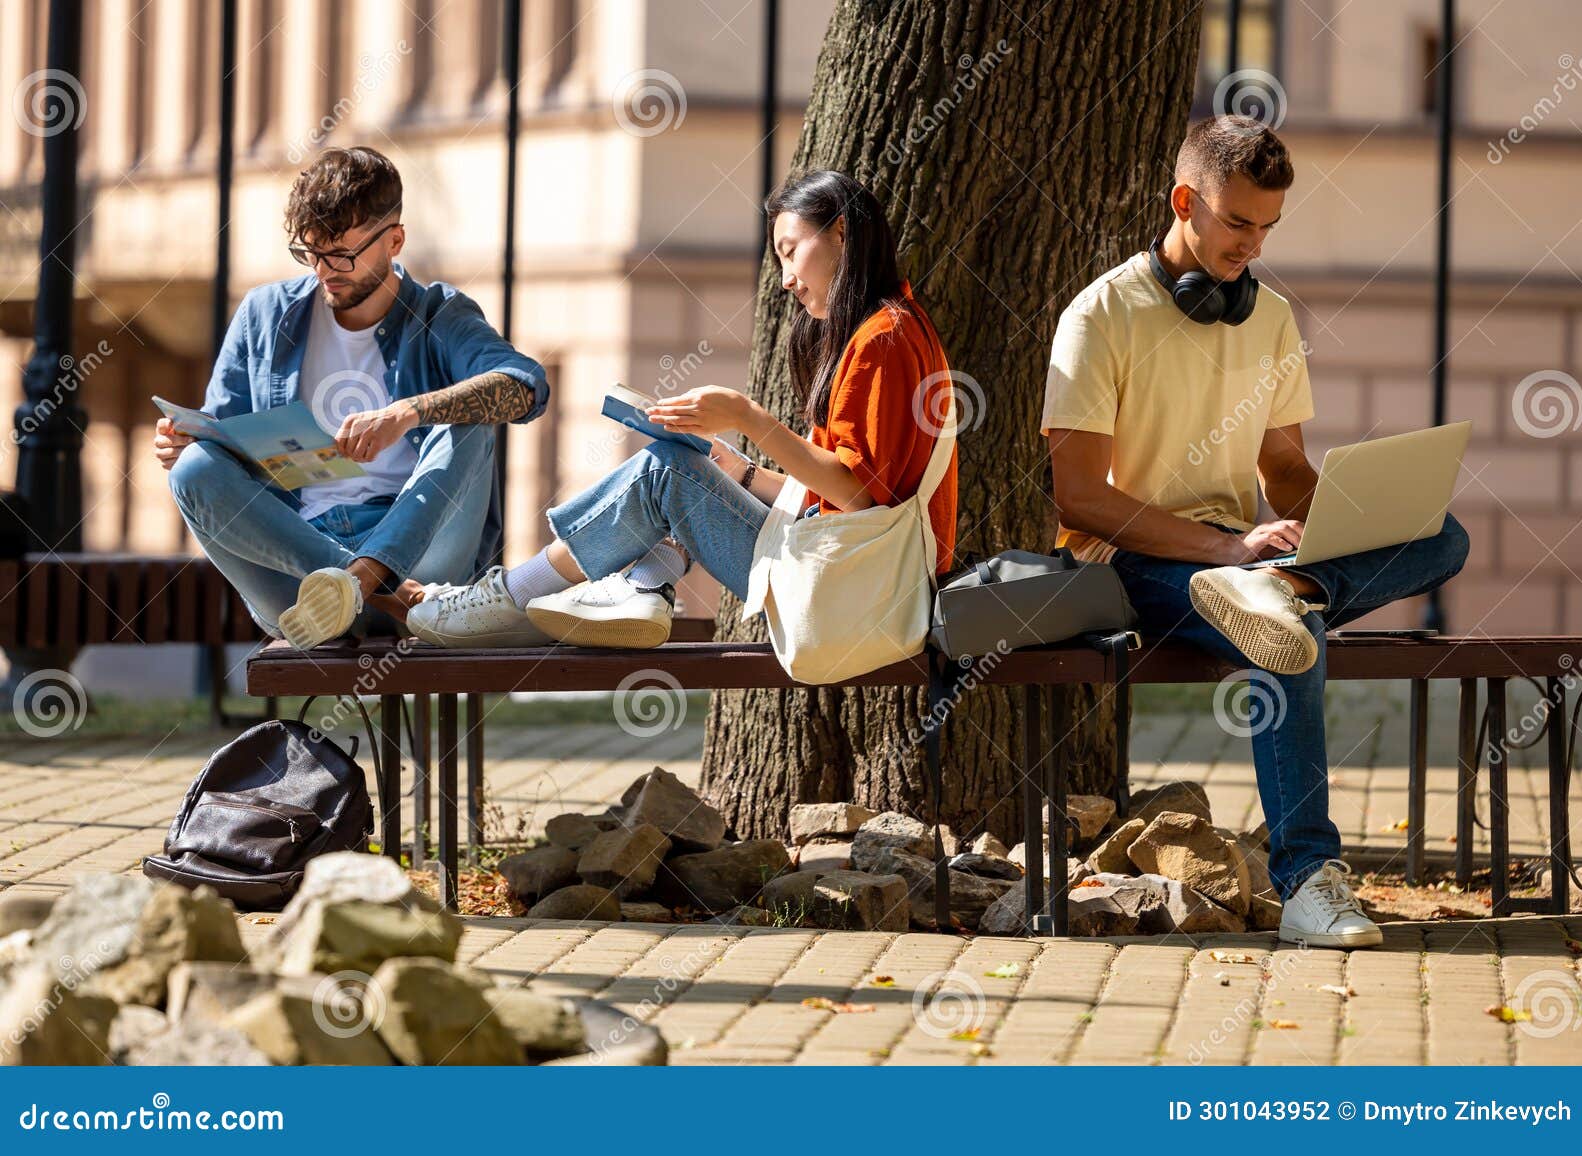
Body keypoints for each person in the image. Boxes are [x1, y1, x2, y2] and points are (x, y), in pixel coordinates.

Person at [1042, 116, 1470, 948]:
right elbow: (1082, 499)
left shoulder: (1269, 317)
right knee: (1291, 632)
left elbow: (1283, 470)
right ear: (1184, 202)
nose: (1254, 246)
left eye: (1268, 227)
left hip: (1249, 555)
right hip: (1135, 563)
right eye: (1238, 223)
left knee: (1442, 534)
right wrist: (1225, 551)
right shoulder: (1100, 315)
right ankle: (1310, 881)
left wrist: (1348, 511)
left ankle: (1294, 586)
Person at [408, 169, 958, 649]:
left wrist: (749, 418)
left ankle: (514, 597)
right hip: (851, 572)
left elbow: (857, 493)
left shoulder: (882, 339)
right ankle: (644, 586)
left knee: (664, 472)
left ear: (841, 230)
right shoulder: (894, 327)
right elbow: (849, 492)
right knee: (683, 464)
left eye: (790, 251)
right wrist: (740, 471)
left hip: (854, 589)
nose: (787, 279)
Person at [155, 146, 549, 649]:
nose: (324, 270)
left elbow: (526, 385)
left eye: (342, 254)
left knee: (467, 419)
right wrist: (185, 443)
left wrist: (408, 412)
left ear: (395, 240)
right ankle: (381, 591)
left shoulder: (439, 313)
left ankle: (365, 582)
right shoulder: (264, 314)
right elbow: (224, 439)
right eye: (311, 253)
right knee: (194, 469)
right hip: (299, 566)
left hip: (423, 552)